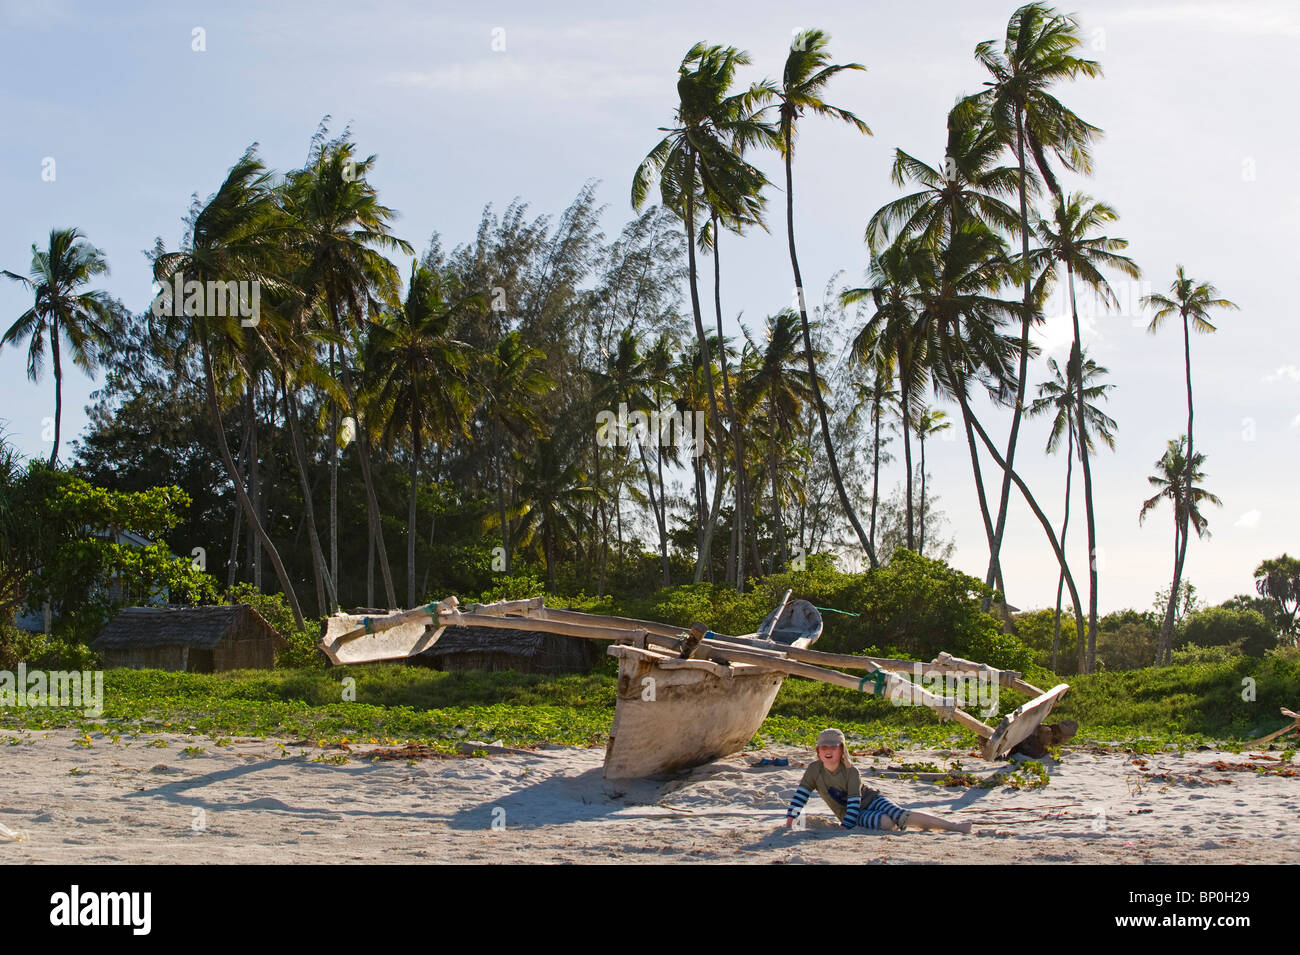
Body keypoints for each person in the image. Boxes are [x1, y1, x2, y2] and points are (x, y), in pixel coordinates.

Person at [782, 728, 971, 833]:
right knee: (887, 823)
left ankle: (954, 827)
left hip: (871, 800)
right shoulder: (814, 770)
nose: (828, 751)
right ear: (818, 751)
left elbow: (855, 800)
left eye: (833, 747)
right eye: (823, 747)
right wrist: (791, 819)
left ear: (842, 750)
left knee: (899, 814)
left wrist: (844, 827)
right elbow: (801, 795)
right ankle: (904, 824)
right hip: (853, 815)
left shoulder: (851, 771)